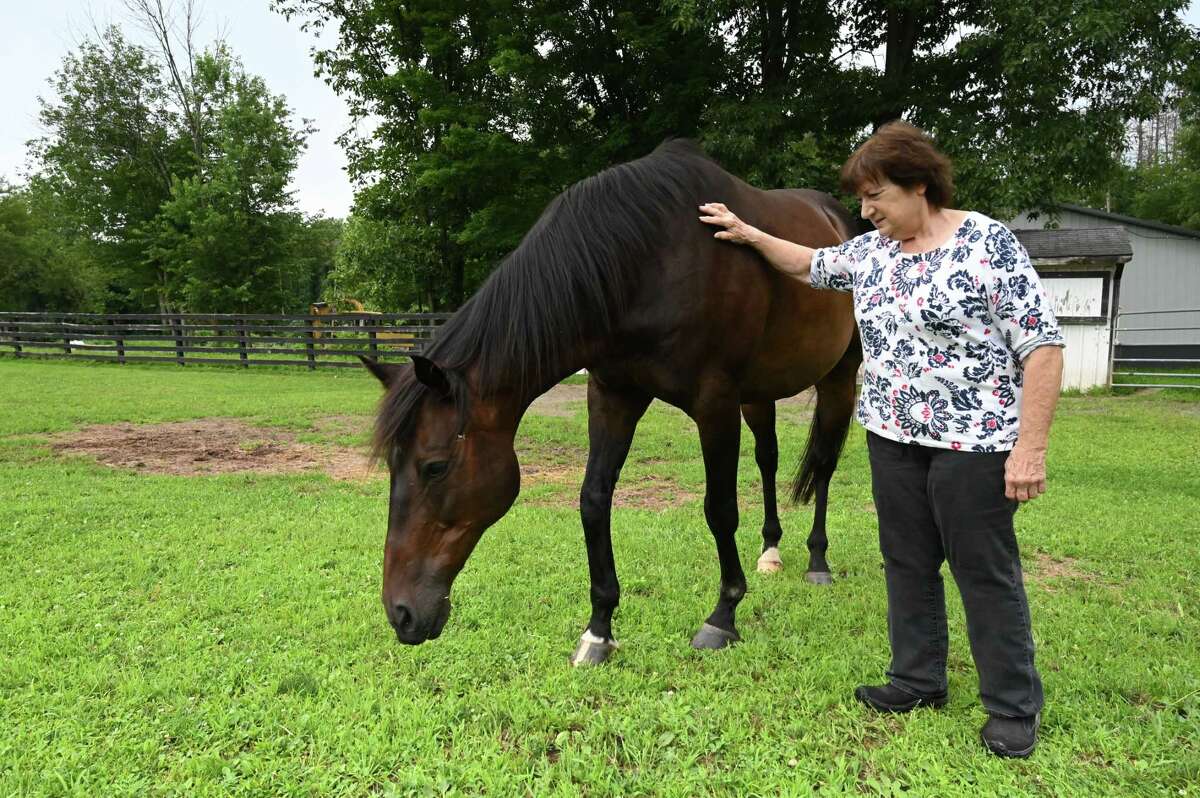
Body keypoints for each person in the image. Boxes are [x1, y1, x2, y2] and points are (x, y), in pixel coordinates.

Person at [699, 120, 1064, 759]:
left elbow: (1042, 348)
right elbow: (810, 264)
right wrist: (751, 233)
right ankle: (917, 680)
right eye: (861, 200)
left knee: (984, 571)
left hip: (973, 443)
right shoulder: (873, 253)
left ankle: (1012, 705)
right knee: (907, 561)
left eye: (876, 197)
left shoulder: (986, 243)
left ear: (919, 184)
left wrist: (1029, 448)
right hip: (892, 436)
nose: (866, 212)